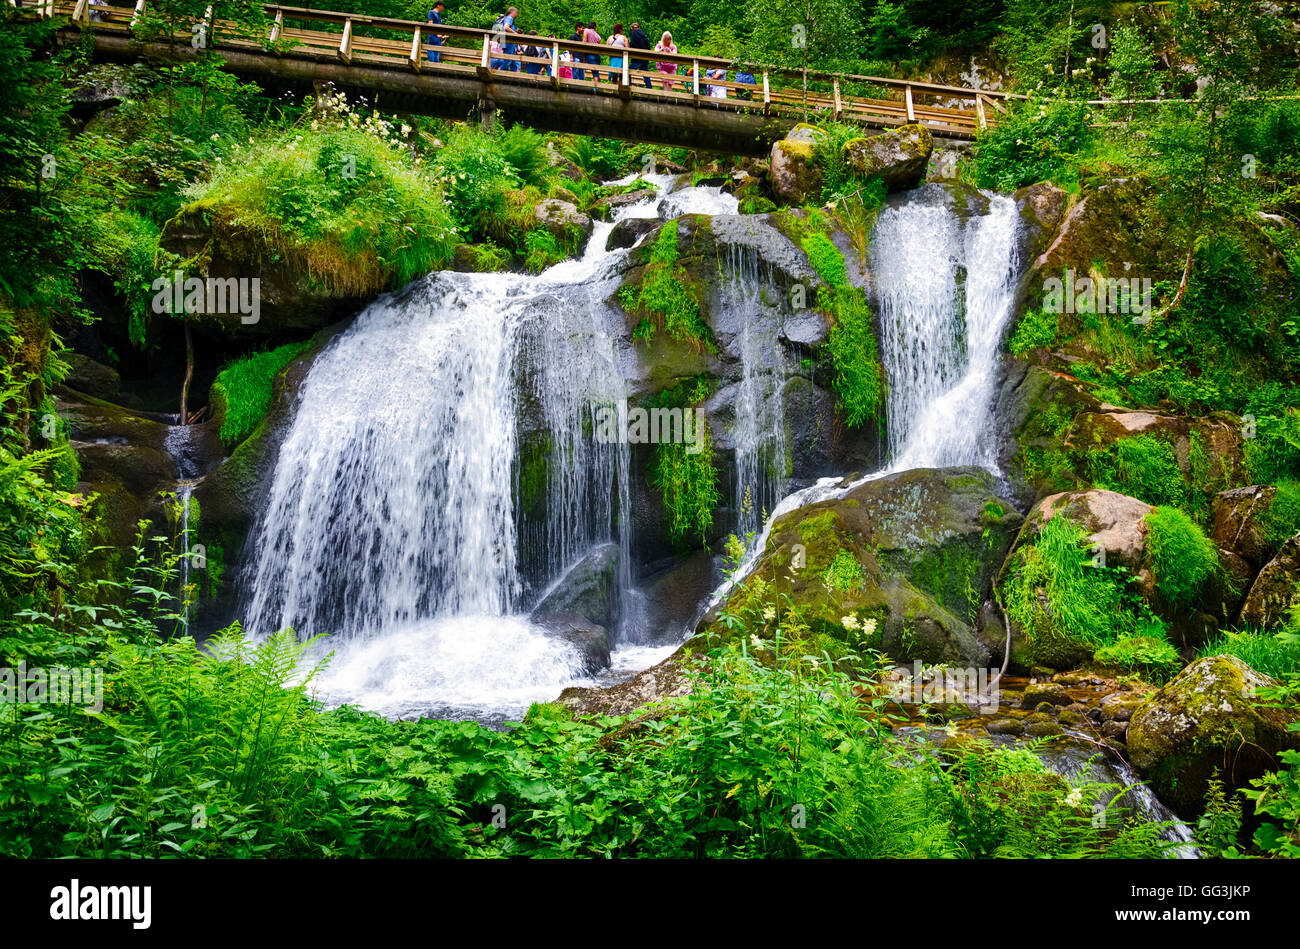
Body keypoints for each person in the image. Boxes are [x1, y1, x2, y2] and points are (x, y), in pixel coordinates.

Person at [493, 7, 520, 71]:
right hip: (508, 42)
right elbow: (506, 27)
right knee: (508, 60)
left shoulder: (507, 18)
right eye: (516, 13)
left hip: (507, 41)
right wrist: (515, 33)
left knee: (512, 61)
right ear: (512, 12)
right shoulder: (509, 18)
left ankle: (514, 77)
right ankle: (499, 74)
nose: (517, 14)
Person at [628, 22, 652, 89]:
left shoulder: (632, 33)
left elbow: (632, 44)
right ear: (639, 27)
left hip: (637, 57)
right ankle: (649, 90)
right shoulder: (644, 34)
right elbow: (648, 45)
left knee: (627, 71)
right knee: (645, 74)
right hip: (645, 57)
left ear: (632, 28)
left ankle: (629, 87)